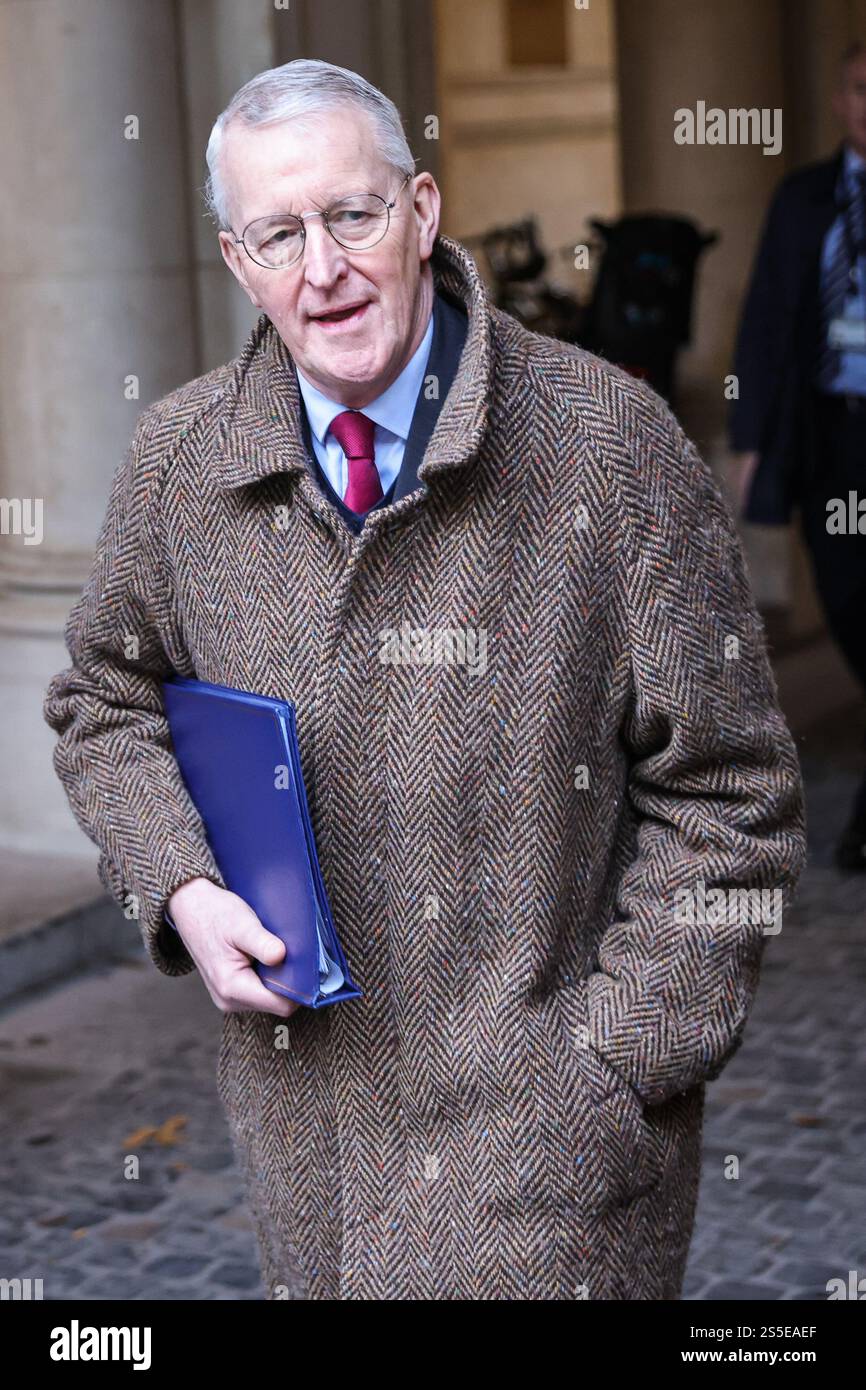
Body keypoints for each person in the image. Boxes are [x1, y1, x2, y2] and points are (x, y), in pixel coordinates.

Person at [44, 59, 806, 1301]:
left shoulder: (604, 447)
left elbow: (731, 797)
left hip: (553, 1177)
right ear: (237, 261)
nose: (322, 269)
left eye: (352, 215)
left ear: (422, 210)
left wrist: (606, 1067)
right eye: (277, 234)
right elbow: (103, 700)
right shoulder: (181, 459)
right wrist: (177, 879)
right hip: (309, 1152)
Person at [730, 39, 866, 870]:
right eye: (858, 87)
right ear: (840, 97)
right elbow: (768, 321)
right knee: (849, 603)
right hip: (833, 436)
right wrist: (750, 441)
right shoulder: (803, 199)